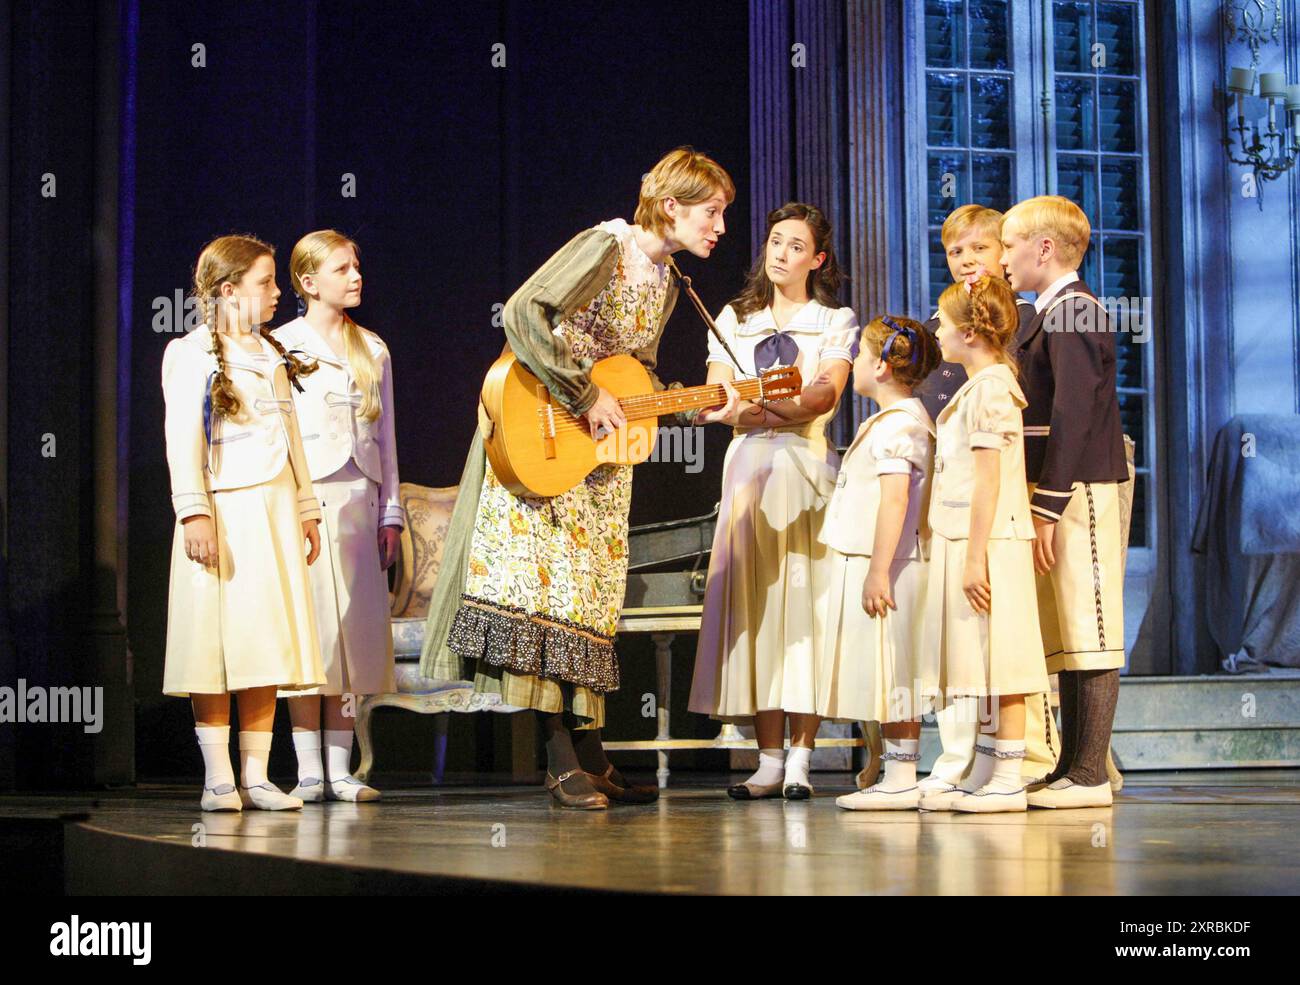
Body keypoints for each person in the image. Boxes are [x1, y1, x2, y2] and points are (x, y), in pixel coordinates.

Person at [421, 147, 735, 809]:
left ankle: (590, 754)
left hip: (596, 459)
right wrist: (581, 392)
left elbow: (632, 375)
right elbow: (524, 311)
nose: (720, 227)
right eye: (712, 212)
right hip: (547, 436)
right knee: (550, 598)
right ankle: (558, 759)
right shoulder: (607, 246)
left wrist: (684, 399)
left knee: (588, 602)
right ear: (671, 205)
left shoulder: (670, 280)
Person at [688, 202, 857, 801]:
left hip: (806, 468)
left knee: (804, 610)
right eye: (774, 241)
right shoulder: (736, 317)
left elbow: (823, 395)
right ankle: (766, 759)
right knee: (756, 613)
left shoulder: (834, 321)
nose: (780, 253)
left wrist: (761, 406)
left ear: (817, 259)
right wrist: (732, 407)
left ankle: (803, 759)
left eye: (794, 245)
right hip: (748, 468)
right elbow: (718, 397)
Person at [161, 234, 326, 812]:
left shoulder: (271, 353)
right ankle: (217, 779)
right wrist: (194, 511)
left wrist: (306, 508)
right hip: (224, 510)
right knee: (214, 641)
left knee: (264, 641)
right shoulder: (190, 354)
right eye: (266, 282)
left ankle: (255, 777)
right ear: (229, 290)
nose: (277, 292)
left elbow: (292, 441)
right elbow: (183, 441)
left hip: (275, 510)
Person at [1000, 195, 1129, 809]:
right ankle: (1070, 769)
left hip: (1080, 489)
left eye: (1009, 246)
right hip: (1057, 489)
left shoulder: (1075, 311)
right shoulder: (1046, 314)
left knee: (1091, 626)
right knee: (1068, 632)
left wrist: (1048, 505)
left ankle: (1090, 772)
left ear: (1043, 248)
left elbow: (1076, 413)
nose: (1002, 259)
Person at [273, 230, 405, 803]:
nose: (355, 277)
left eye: (357, 266)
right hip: (308, 503)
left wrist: (391, 512)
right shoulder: (280, 347)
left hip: (360, 501)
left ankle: (341, 768)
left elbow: (389, 436)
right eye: (341, 269)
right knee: (314, 637)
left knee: (354, 639)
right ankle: (307, 769)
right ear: (308, 282)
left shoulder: (371, 348)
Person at [917, 272, 1049, 814]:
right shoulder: (981, 384)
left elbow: (990, 479)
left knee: (1004, 657)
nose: (938, 333)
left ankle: (1010, 776)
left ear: (970, 333)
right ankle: (993, 767)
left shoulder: (993, 387)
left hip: (991, 540)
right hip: (972, 536)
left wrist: (975, 559)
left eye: (944, 325)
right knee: (985, 659)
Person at [816, 315, 940, 811]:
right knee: (885, 670)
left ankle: (902, 774)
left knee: (894, 670)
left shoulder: (901, 427)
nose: (856, 364)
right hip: (876, 562)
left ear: (883, 368)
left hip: (888, 566)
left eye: (863, 356)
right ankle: (896, 771)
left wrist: (878, 570)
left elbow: (894, 502)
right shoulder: (892, 421)